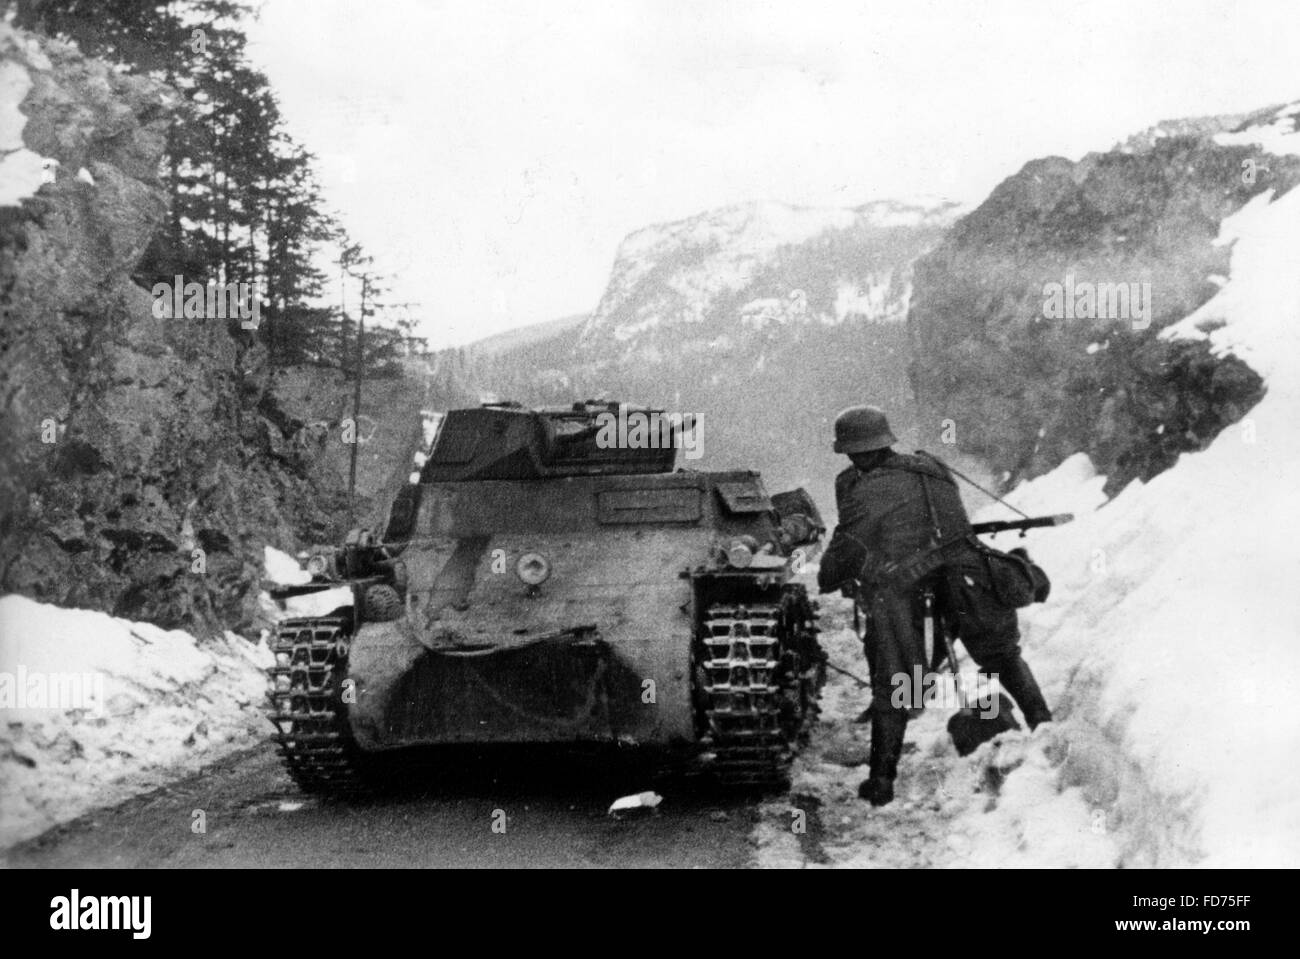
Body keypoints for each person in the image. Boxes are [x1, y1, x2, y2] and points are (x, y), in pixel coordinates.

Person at [816, 405, 1053, 806]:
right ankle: (1046, 730)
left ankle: (882, 781)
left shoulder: (865, 489)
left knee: (895, 681)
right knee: (1003, 657)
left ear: (855, 452)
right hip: (971, 576)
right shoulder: (931, 466)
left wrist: (828, 575)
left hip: (909, 587)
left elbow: (846, 550)